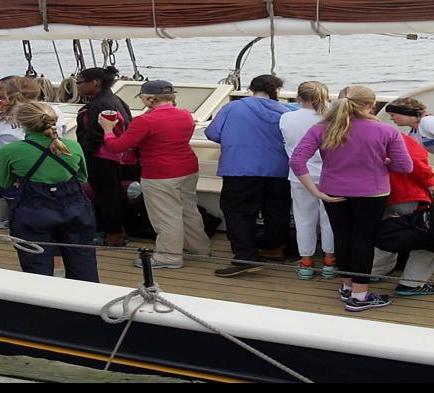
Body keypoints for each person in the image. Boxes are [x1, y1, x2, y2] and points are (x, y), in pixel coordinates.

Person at [290, 85, 412, 312]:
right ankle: (359, 295)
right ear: (371, 105)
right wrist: (386, 163)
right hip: (372, 193)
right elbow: (404, 166)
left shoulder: (322, 128)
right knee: (363, 241)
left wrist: (314, 191)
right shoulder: (387, 131)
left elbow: (297, 161)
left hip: (333, 191)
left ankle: (347, 286)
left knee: (342, 238)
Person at [99, 79, 210, 269]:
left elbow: (117, 146)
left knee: (166, 216)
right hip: (187, 168)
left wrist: (108, 129)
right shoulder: (185, 115)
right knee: (188, 210)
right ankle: (199, 249)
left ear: (150, 99)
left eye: (142, 97)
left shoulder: (145, 121)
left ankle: (169, 257)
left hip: (159, 173)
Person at [0, 101, 98, 282]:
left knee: (36, 264)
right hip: (75, 208)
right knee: (83, 260)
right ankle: (88, 302)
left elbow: (4, 182)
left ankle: (41, 303)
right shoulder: (73, 147)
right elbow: (82, 178)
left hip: (33, 211)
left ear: (21, 123)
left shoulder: (9, 151)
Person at [205, 74, 291, 276]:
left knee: (238, 212)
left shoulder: (233, 108)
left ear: (251, 89)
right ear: (277, 90)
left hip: (239, 167)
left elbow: (212, 133)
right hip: (278, 168)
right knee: (276, 210)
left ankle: (245, 256)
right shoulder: (285, 111)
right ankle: (275, 248)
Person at [370, 99, 434, 297]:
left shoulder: (355, 134)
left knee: (386, 232)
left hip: (377, 194)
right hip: (405, 193)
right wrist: (431, 183)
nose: (391, 118)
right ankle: (412, 283)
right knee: (426, 236)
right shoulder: (395, 136)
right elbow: (416, 164)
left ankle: (373, 271)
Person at [279, 80, 337, 280]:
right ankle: (330, 260)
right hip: (330, 175)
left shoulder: (287, 118)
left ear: (298, 97)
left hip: (299, 176)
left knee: (304, 219)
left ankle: (306, 262)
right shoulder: (332, 118)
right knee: (329, 220)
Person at [74, 66, 134, 247]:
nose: (77, 86)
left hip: (101, 157)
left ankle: (114, 236)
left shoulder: (100, 104)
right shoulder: (115, 99)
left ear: (95, 83)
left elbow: (96, 134)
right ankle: (119, 232)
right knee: (113, 195)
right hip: (115, 156)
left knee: (107, 196)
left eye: (80, 82)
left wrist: (84, 154)